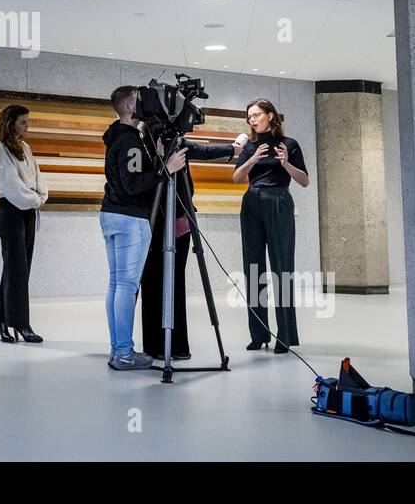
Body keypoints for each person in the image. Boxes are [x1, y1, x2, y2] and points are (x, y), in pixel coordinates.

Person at [99, 86, 192, 369]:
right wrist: (167, 167)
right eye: (140, 100)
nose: (146, 104)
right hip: (130, 219)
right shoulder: (129, 141)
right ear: (129, 107)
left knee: (117, 284)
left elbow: (133, 176)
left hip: (111, 214)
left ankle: (119, 350)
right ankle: (125, 353)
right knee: (126, 286)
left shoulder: (118, 136)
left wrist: (158, 160)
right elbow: (134, 185)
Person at [139, 128, 243, 362]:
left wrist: (231, 149)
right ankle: (155, 346)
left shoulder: (177, 142)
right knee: (153, 281)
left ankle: (176, 345)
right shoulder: (141, 144)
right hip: (153, 221)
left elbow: (203, 150)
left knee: (174, 282)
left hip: (180, 221)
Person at [232, 98, 310, 353]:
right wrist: (252, 159)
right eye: (249, 117)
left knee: (281, 268)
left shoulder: (290, 144)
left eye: (256, 115)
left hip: (279, 201)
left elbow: (305, 181)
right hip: (252, 202)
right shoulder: (251, 145)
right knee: (253, 268)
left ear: (271, 116)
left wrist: (286, 164)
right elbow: (236, 177)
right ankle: (258, 334)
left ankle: (285, 336)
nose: (252, 120)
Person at [0, 104, 48, 343]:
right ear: (10, 122)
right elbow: (11, 186)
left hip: (29, 211)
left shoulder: (24, 147)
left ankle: (0, 320)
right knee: (17, 269)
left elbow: (38, 176)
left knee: (18, 269)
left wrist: (41, 196)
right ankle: (21, 324)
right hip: (11, 211)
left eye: (27, 121)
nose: (27, 126)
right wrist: (35, 199)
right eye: (23, 122)